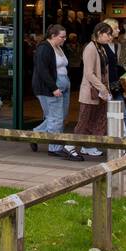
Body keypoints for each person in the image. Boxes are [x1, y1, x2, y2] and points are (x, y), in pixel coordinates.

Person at [30, 24, 83, 161]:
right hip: (51, 87)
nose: (65, 39)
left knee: (61, 116)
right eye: (62, 37)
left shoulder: (58, 47)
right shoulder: (44, 48)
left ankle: (35, 134)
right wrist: (53, 87)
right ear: (53, 36)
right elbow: (43, 70)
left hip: (63, 84)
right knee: (56, 118)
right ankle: (54, 148)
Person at [72, 22, 114, 157]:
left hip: (100, 92)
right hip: (91, 91)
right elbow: (89, 73)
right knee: (84, 120)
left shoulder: (100, 47)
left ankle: (88, 146)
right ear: (99, 33)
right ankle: (70, 145)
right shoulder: (90, 48)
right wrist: (103, 88)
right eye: (108, 34)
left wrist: (105, 89)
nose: (110, 37)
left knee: (97, 120)